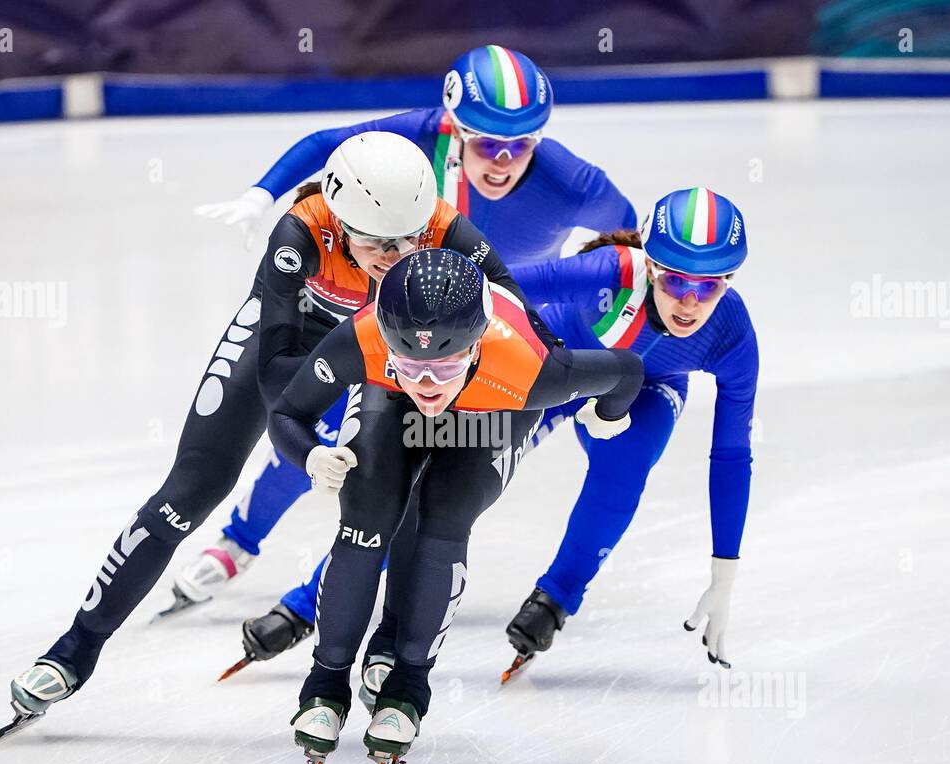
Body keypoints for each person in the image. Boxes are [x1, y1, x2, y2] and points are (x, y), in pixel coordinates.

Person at [0, 133, 536, 742]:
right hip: (294, 348)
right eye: (375, 241)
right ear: (337, 216)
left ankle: (387, 646)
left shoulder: (446, 229)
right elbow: (276, 371)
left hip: (385, 354)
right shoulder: (300, 233)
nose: (393, 255)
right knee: (191, 490)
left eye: (408, 241)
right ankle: (74, 649)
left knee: (401, 493)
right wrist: (308, 435)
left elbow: (523, 326)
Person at [172, 45, 637, 643]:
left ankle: (325, 607)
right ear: (453, 126)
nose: (502, 160)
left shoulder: (573, 182)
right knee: (332, 433)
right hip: (398, 323)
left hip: (485, 347)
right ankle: (240, 540)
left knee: (422, 469)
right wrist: (262, 195)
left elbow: (627, 249)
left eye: (521, 145)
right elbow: (326, 146)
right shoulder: (418, 139)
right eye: (485, 141)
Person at [265, 247, 644, 764]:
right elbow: (286, 413)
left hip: (496, 404)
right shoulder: (364, 339)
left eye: (442, 366)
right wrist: (309, 457)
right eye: (411, 363)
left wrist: (608, 418)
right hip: (385, 400)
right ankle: (325, 682)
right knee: (365, 516)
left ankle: (409, 684)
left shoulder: (533, 369)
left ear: (473, 347)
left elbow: (626, 372)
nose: (427, 384)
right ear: (387, 344)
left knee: (445, 515)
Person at [500, 187, 757, 677]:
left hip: (647, 389)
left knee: (624, 467)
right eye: (677, 281)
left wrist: (724, 573)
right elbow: (505, 285)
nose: (689, 302)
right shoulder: (612, 271)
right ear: (651, 266)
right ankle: (322, 586)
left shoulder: (732, 333)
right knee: (470, 459)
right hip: (559, 354)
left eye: (709, 287)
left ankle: (557, 596)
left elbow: (730, 455)